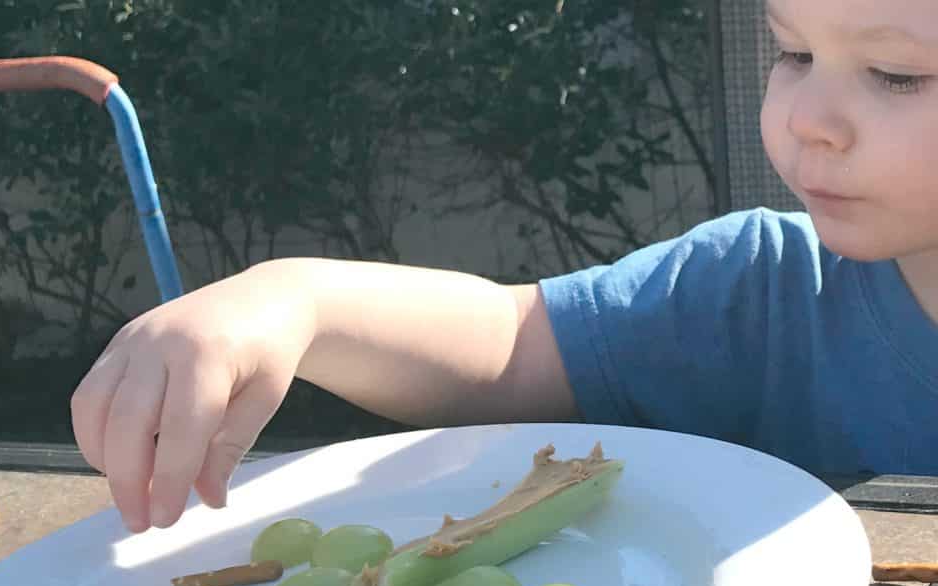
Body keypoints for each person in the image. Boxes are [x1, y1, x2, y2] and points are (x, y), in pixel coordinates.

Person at [71, 0, 938, 534]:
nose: (807, 117)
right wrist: (293, 300)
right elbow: (513, 342)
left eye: (895, 74)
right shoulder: (760, 290)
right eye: (794, 53)